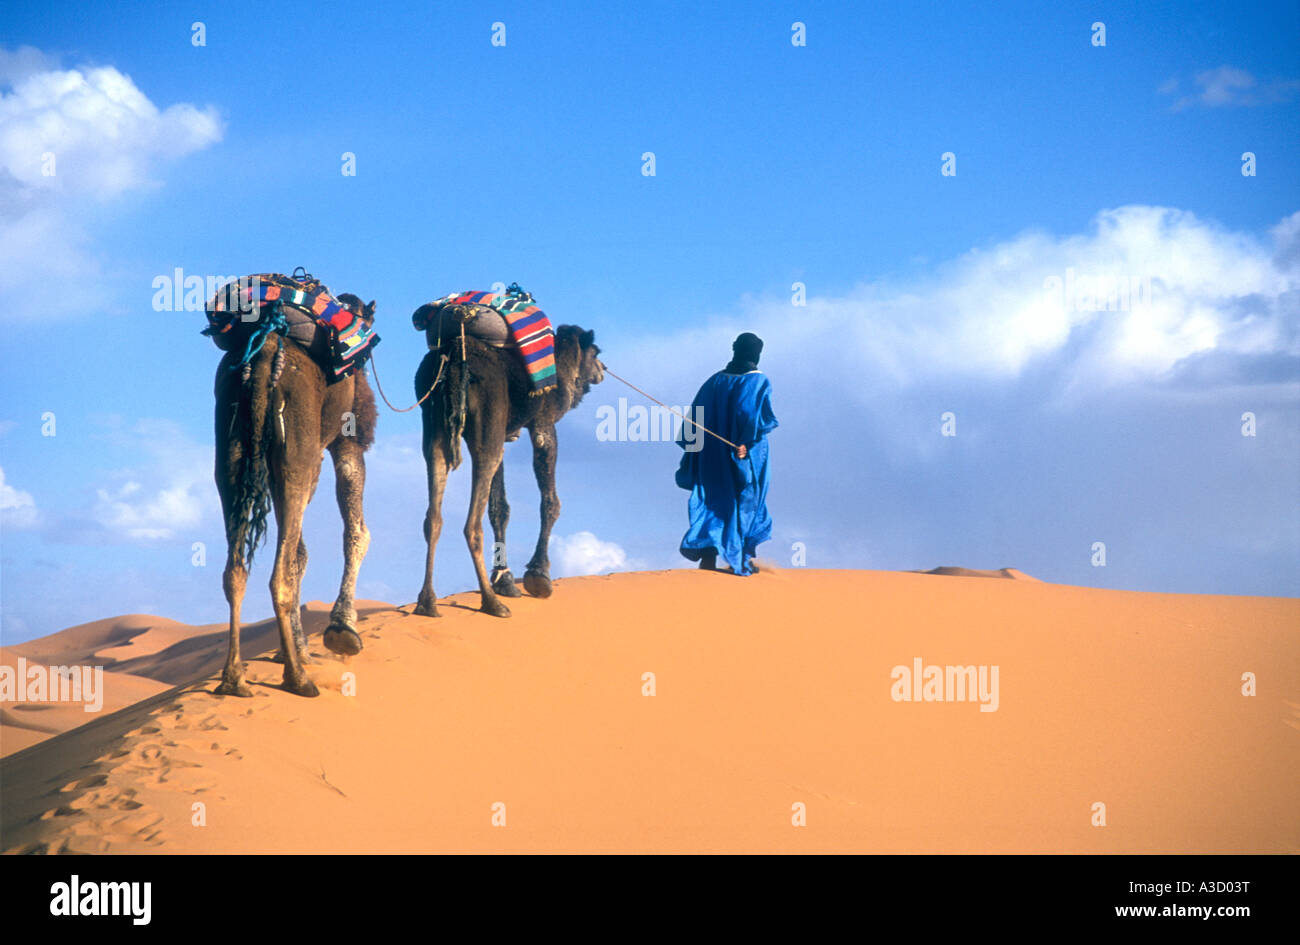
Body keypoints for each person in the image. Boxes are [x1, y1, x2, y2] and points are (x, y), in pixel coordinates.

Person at [676, 332, 778, 576]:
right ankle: (739, 558)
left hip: (710, 458)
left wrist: (693, 456)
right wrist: (746, 445)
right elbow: (752, 415)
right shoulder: (757, 381)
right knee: (744, 501)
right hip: (742, 456)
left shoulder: (714, 381)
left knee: (712, 500)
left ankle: (709, 554)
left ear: (735, 349)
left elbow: (694, 420)